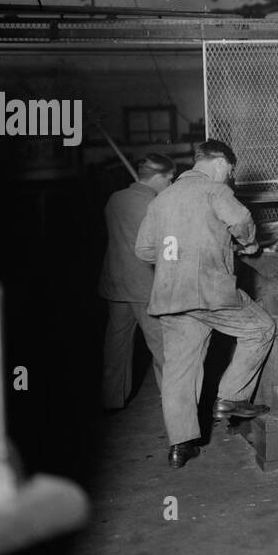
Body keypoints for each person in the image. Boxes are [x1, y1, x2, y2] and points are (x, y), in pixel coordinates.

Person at [135, 139, 275, 469]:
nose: (229, 176)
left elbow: (143, 251)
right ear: (218, 163)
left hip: (171, 295)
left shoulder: (161, 199)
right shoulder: (215, 190)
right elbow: (241, 221)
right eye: (229, 169)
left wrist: (181, 259)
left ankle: (180, 446)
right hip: (211, 292)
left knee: (179, 371)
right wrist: (249, 244)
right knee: (261, 329)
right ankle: (231, 399)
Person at [98, 153, 176, 411]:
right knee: (163, 347)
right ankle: (174, 406)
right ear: (158, 177)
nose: (170, 183)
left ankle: (112, 401)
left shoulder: (115, 199)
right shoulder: (157, 205)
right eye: (169, 178)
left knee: (116, 347)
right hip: (145, 287)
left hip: (116, 284)